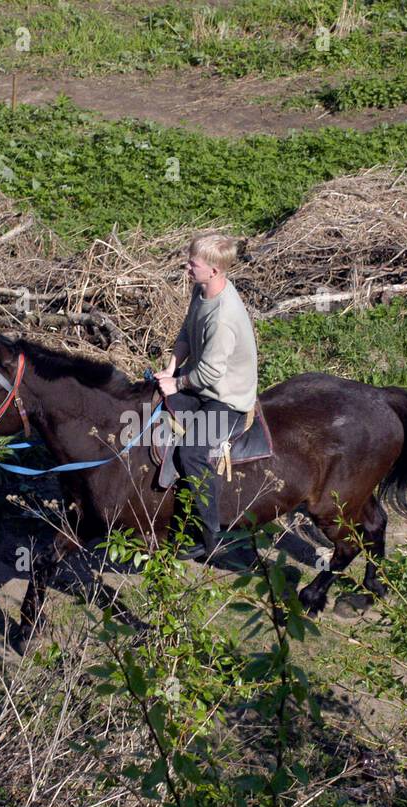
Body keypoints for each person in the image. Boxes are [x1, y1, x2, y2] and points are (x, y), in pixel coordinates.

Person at [153, 233, 259, 561]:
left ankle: (213, 535)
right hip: (198, 382)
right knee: (152, 409)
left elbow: (210, 375)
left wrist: (179, 384)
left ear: (213, 271)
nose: (187, 266)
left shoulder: (224, 316)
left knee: (192, 453)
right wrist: (170, 370)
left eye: (193, 263)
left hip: (225, 398)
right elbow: (186, 331)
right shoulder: (202, 290)